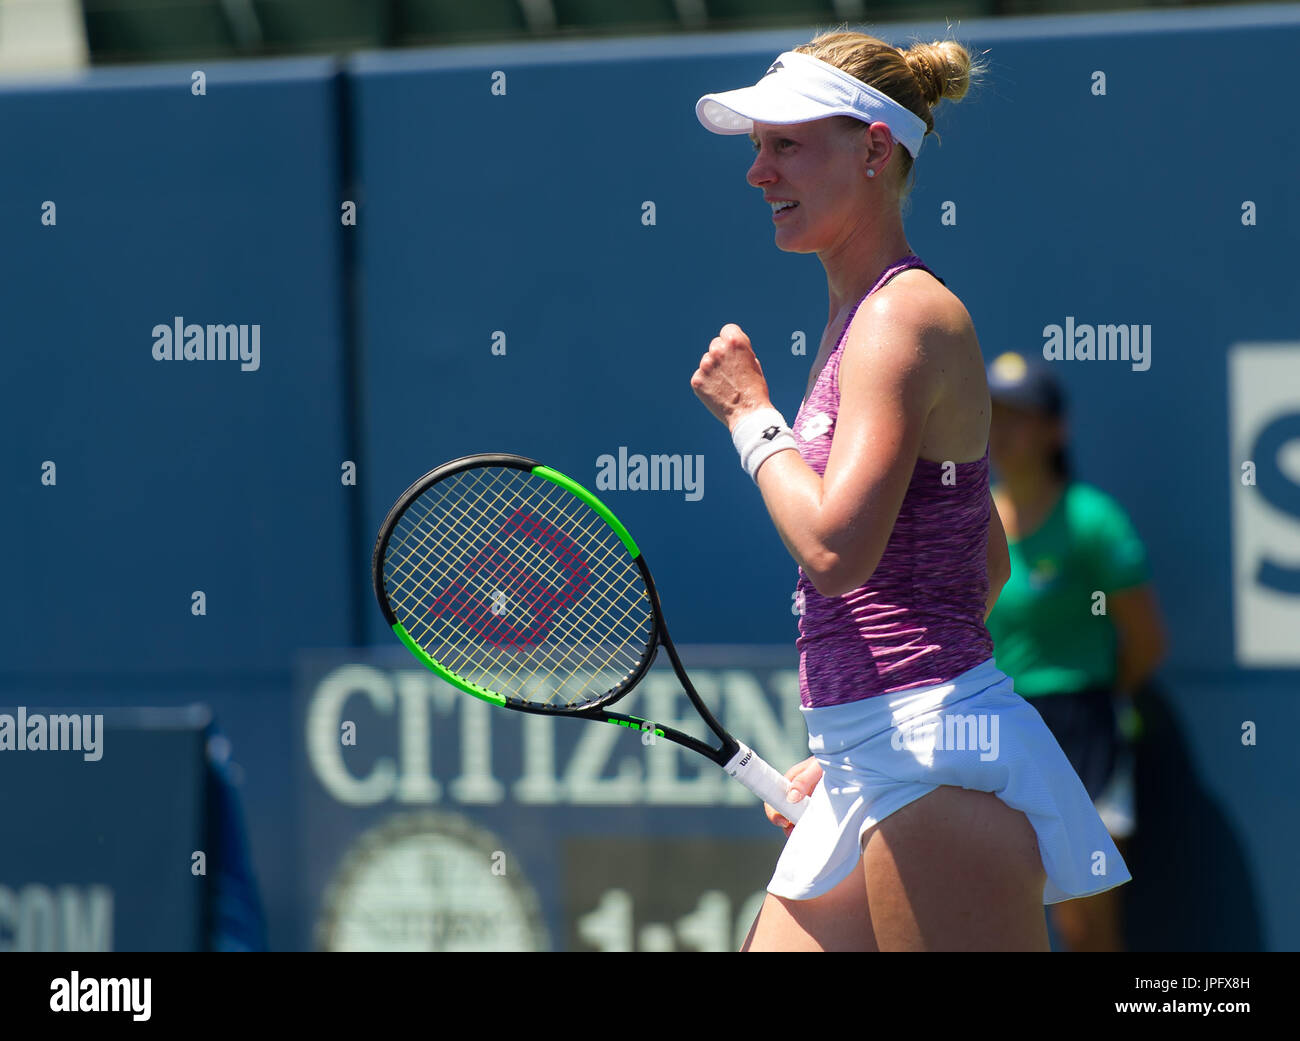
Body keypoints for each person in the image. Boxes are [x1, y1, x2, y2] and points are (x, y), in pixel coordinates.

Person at [688, 30, 1130, 951]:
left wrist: (750, 419)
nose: (757, 173)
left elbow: (837, 551)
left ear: (875, 149)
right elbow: (986, 557)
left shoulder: (902, 315)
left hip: (938, 770)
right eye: (756, 147)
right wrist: (855, 727)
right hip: (876, 756)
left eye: (785, 144)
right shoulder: (859, 319)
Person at [984, 350, 1166, 951]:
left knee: (1083, 924)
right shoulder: (969, 520)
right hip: (990, 731)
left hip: (1082, 729)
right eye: (994, 413)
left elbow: (1145, 643)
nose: (1003, 430)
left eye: (1021, 416)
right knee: (991, 909)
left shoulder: (1093, 523)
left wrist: (1097, 698)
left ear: (1055, 429)